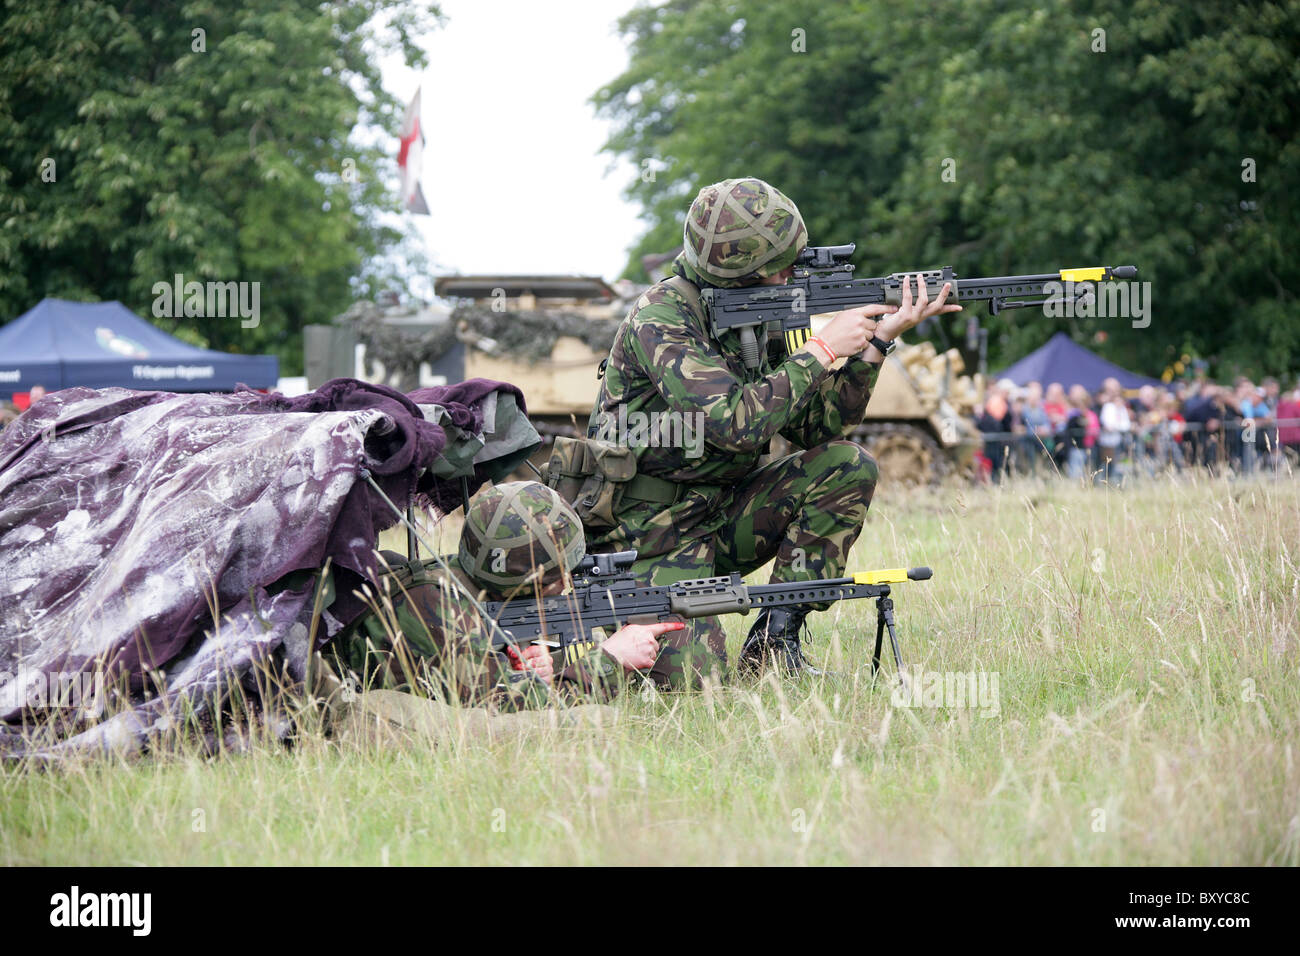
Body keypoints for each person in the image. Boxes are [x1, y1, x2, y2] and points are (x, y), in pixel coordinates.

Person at [582, 177, 960, 677]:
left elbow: (819, 432)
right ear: (739, 273)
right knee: (698, 683)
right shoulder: (663, 317)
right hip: (647, 534)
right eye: (779, 266)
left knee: (846, 467)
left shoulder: (763, 314)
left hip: (720, 510)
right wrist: (821, 350)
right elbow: (729, 425)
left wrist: (876, 344)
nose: (790, 274)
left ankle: (773, 646)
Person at [330, 481, 685, 710]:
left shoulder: (459, 579)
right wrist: (610, 659)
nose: (569, 581)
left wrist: (541, 668)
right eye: (562, 573)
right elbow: (524, 712)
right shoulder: (440, 614)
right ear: (533, 581)